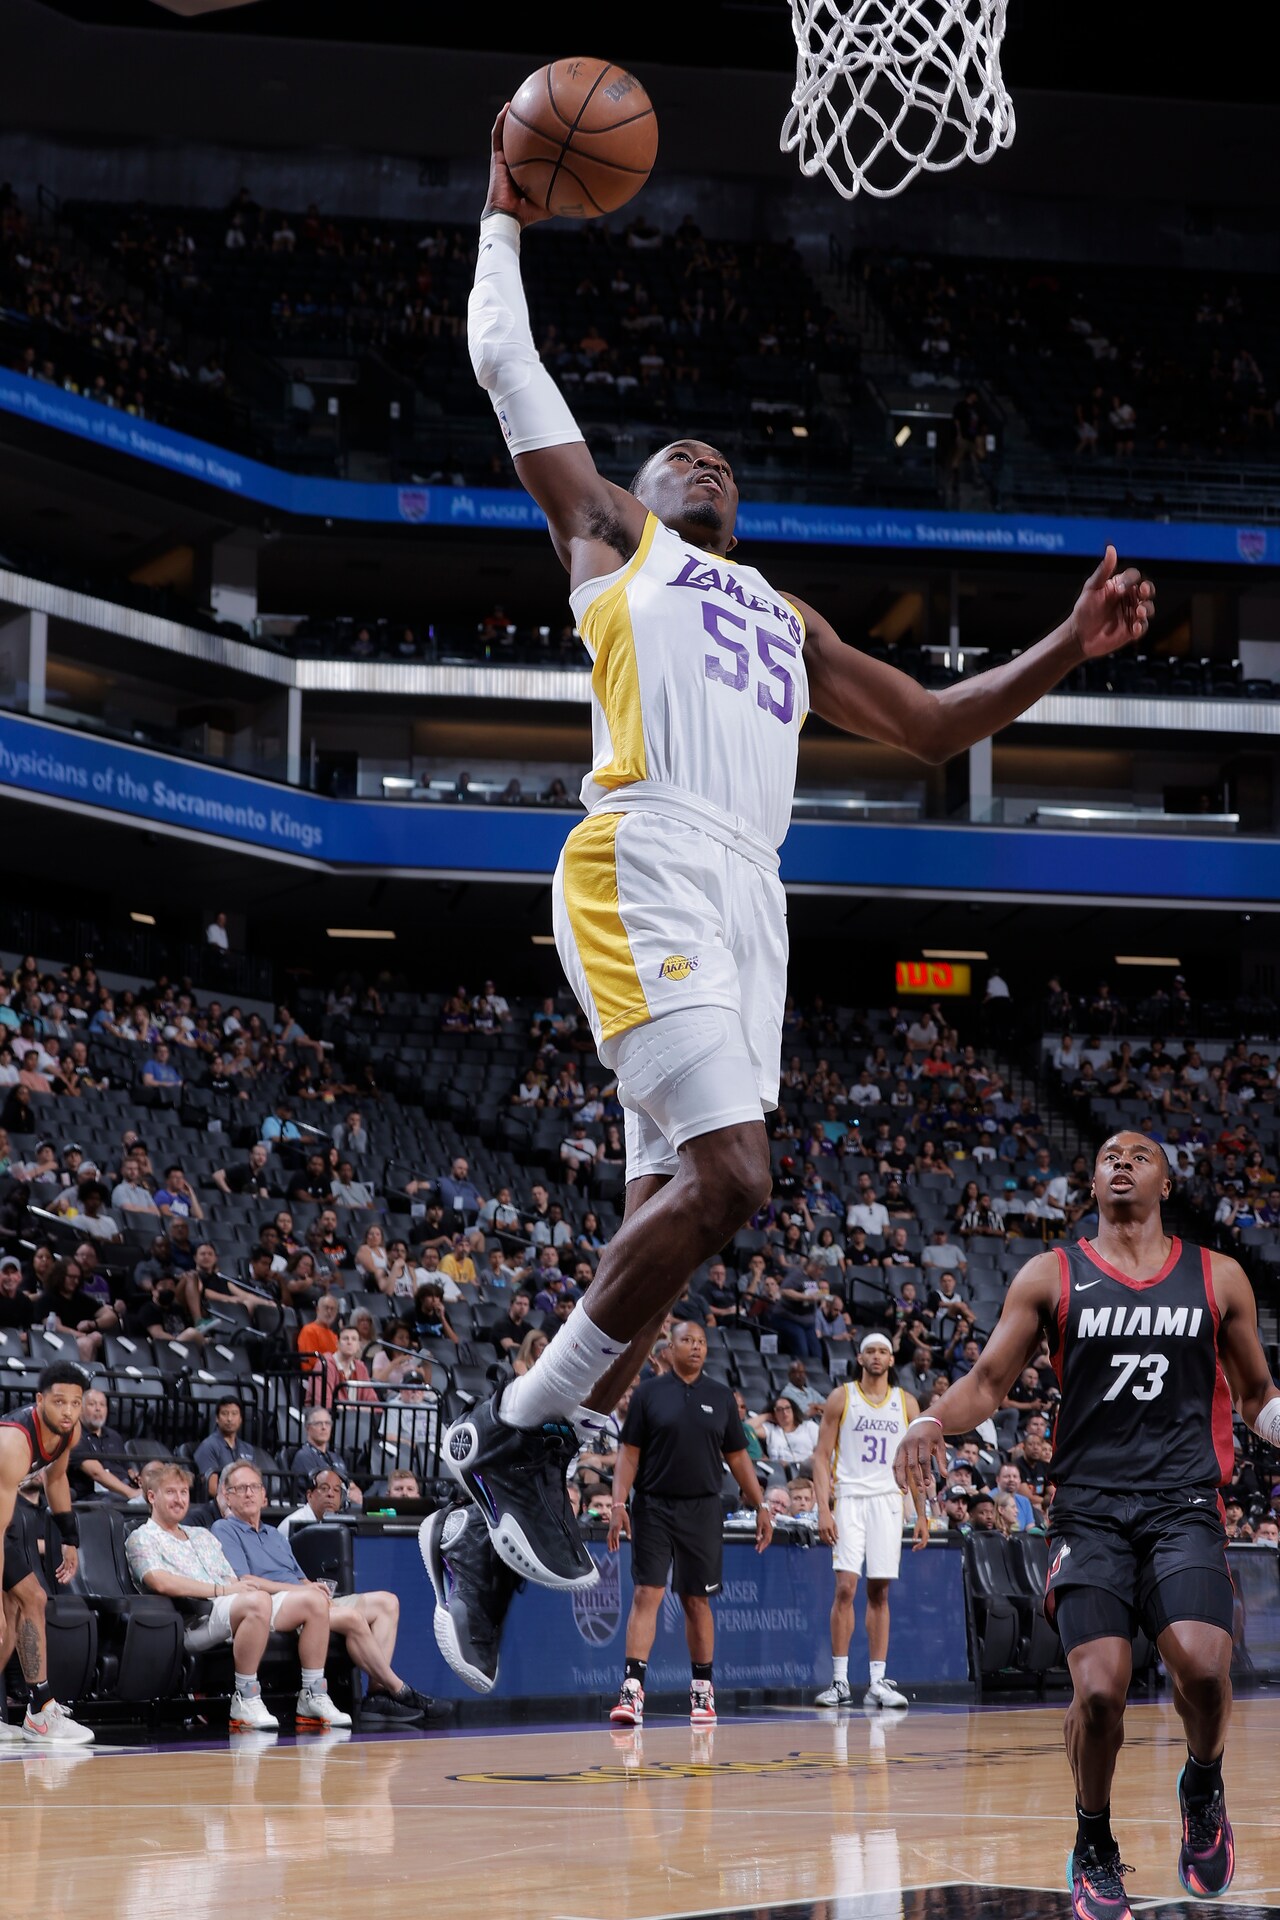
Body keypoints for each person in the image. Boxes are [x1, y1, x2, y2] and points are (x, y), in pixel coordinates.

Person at [438, 107, 1156, 1641]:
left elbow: (936, 725)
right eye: (675, 448)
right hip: (645, 858)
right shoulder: (616, 543)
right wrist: (503, 213)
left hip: (750, 900)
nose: (703, 454)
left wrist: (1067, 648)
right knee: (735, 1178)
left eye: (721, 457)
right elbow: (508, 368)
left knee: (673, 1229)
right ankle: (507, 1442)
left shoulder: (788, 616)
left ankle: (484, 1533)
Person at [895, 1132, 1280, 1918]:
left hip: (1182, 1503)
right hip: (1090, 1509)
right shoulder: (1052, 1274)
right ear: (1094, 1180)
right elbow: (986, 1382)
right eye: (1108, 1154)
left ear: (1165, 1182)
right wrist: (931, 1418)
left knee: (1205, 1672)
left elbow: (1256, 1398)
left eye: (1139, 1154)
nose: (1121, 1161)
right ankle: (1094, 1844)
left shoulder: (1218, 1276)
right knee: (1099, 1693)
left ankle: (1201, 1786)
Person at [605, 1320, 772, 1727]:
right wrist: (617, 1502)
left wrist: (761, 1505)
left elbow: (737, 1457)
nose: (696, 1348)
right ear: (669, 1347)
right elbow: (628, 1454)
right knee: (648, 1592)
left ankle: (701, 1692)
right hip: (654, 1506)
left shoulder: (720, 1397)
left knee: (697, 1601)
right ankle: (632, 1690)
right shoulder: (648, 1393)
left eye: (701, 1342)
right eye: (687, 1341)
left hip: (702, 1509)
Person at [125, 1458, 349, 1735]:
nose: (179, 1499)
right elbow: (160, 1581)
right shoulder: (142, 1536)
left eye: (183, 1492)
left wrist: (235, 1588)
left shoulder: (201, 1535)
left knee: (312, 1600)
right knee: (256, 1600)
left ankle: (313, 1695)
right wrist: (223, 1591)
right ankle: (246, 1697)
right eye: (171, 1492)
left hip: (230, 1605)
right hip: (193, 1618)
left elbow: (230, 1577)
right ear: (151, 1496)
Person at [213, 1463, 429, 1724]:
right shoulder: (224, 1529)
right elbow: (244, 1581)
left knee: (387, 1602)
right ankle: (400, 1690)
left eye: (254, 1487)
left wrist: (311, 1585)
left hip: (302, 1598)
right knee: (348, 1616)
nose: (249, 1493)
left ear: (263, 1495)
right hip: (273, 1605)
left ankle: (377, 1695)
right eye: (241, 1488)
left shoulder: (274, 1535)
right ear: (227, 1495)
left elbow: (298, 1576)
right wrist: (303, 1590)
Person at [810, 1333, 921, 1711]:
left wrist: (922, 1514)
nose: (877, 1356)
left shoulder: (906, 1402)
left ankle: (876, 1682)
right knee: (845, 1587)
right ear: (860, 1357)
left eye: (883, 1351)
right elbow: (821, 1456)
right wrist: (824, 1508)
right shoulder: (842, 1397)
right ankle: (840, 1681)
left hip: (889, 1501)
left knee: (880, 1592)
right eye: (871, 1350)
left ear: (892, 1360)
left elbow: (914, 1462)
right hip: (850, 1499)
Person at [0, 1362, 95, 1743]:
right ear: (40, 1400)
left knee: (27, 1603)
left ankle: (39, 1710)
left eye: (76, 1403)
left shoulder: (67, 1432)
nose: (69, 1411)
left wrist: (69, 1537)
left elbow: (55, 1477)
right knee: (11, 1610)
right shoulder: (13, 1443)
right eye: (59, 1402)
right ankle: (40, 1711)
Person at [193, 1395, 256, 1497]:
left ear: (240, 1419)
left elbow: (254, 1481)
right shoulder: (208, 1446)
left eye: (234, 1414)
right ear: (217, 1419)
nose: (229, 1419)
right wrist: (238, 1498)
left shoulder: (248, 1449)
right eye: (224, 1414)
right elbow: (212, 1488)